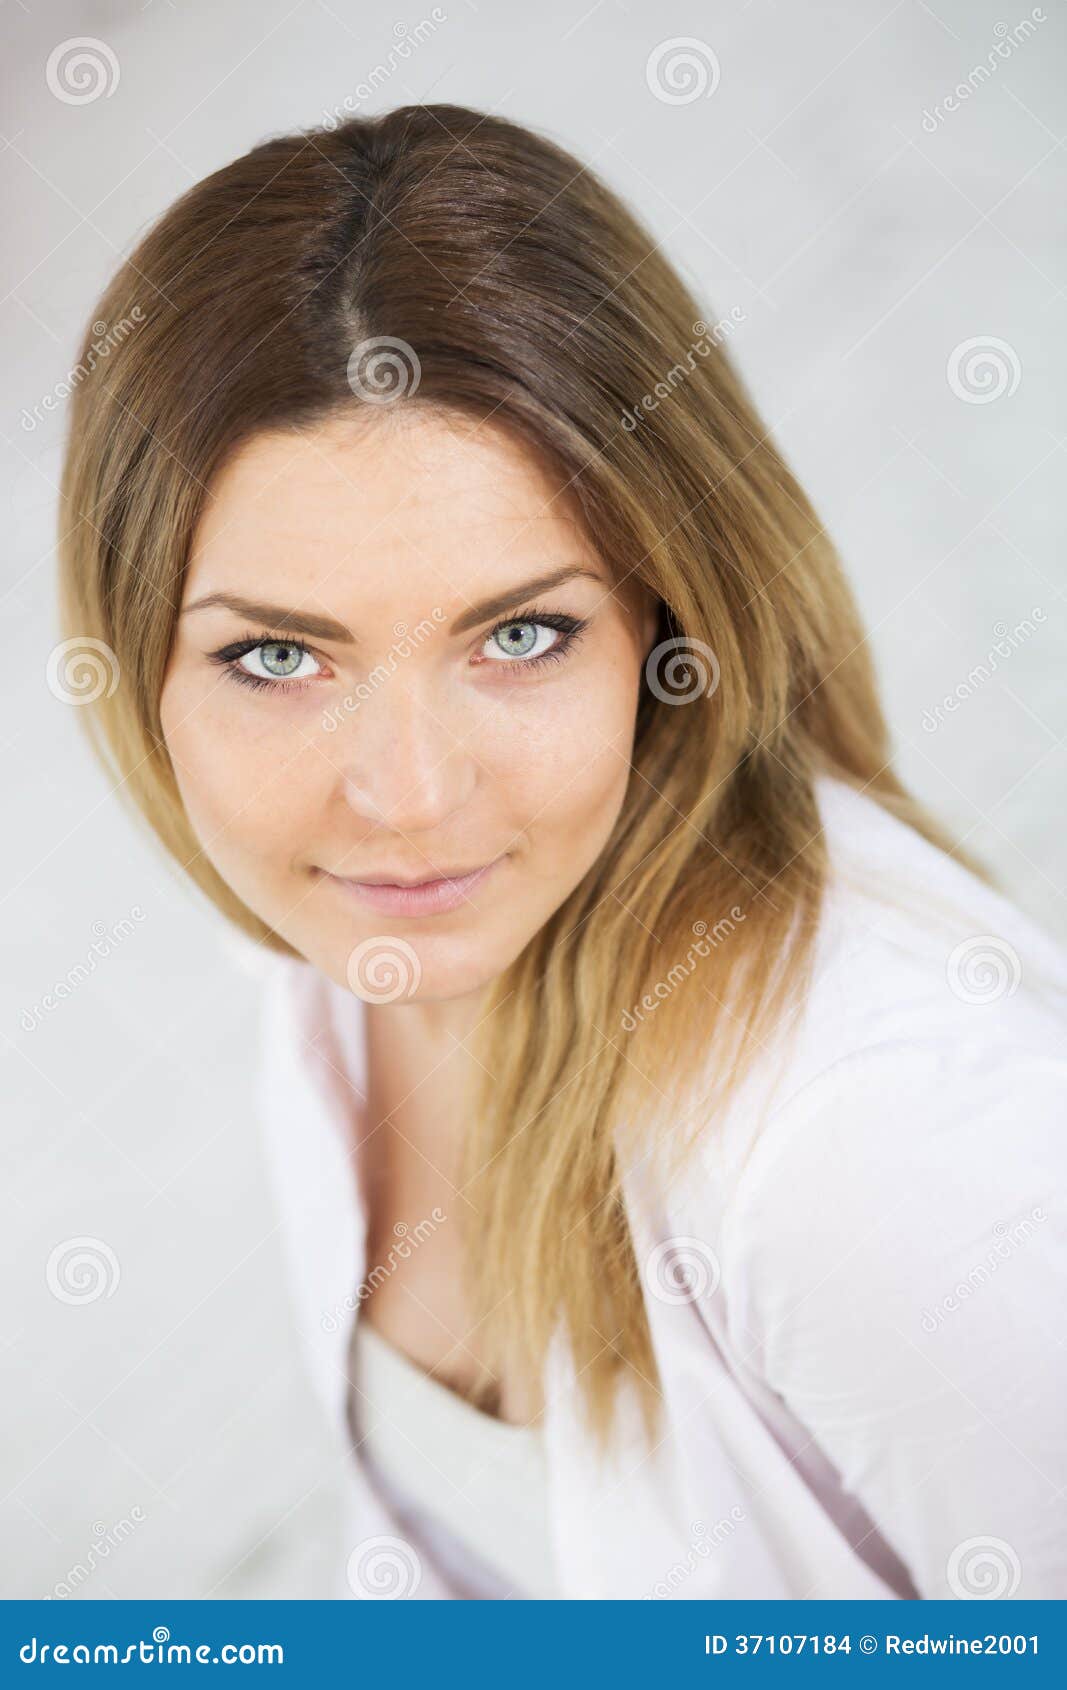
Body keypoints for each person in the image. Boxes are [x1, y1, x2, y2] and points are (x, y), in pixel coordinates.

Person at [57, 103, 1066, 1601]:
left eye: (520, 634)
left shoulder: (873, 1147)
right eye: (278, 658)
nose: (404, 796)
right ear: (137, 663)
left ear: (672, 614)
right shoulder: (346, 949)